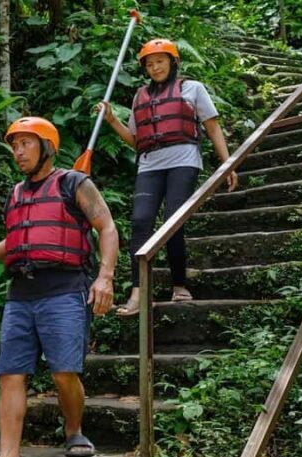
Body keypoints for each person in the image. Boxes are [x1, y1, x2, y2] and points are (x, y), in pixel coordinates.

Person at [0, 117, 119, 457]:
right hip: (20, 294)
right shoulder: (16, 193)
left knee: (64, 372)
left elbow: (107, 227)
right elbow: (20, 241)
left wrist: (105, 276)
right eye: (15, 145)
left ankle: (73, 428)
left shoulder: (74, 183)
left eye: (26, 144)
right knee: (10, 374)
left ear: (47, 146)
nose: (18, 151)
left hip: (64, 289)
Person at [96, 38, 238, 316]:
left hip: (183, 160)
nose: (155, 67)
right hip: (149, 164)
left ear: (173, 62)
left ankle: (179, 285)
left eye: (160, 61)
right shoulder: (140, 96)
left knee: (172, 221)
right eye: (149, 63)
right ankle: (138, 292)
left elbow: (212, 128)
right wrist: (112, 120)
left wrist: (228, 164)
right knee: (139, 223)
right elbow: (135, 140)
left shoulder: (192, 88)